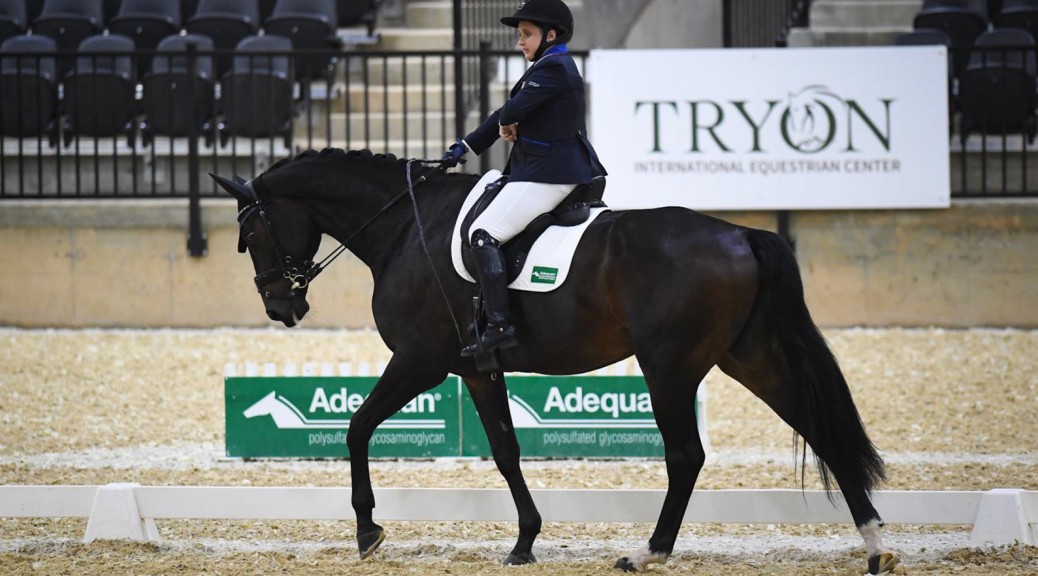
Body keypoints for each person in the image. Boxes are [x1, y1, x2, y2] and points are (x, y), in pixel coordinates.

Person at [442, 0, 607, 358]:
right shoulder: (548, 66)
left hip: (550, 174)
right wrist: (468, 145)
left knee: (483, 234)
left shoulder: (555, 68)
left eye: (527, 34)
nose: (520, 41)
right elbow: (512, 113)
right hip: (542, 169)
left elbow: (512, 110)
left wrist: (506, 123)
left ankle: (499, 325)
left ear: (551, 35)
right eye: (520, 34)